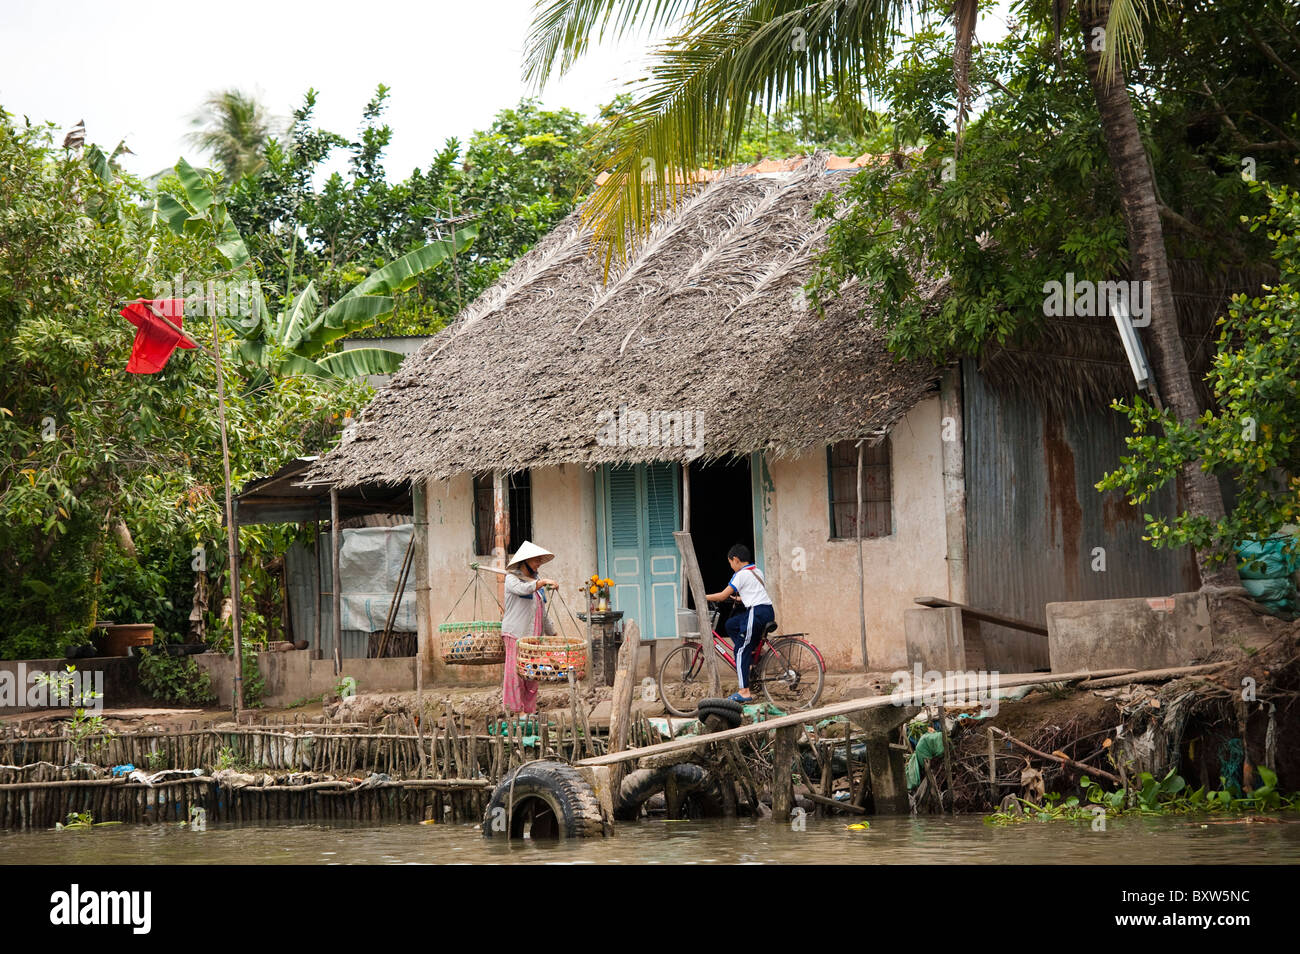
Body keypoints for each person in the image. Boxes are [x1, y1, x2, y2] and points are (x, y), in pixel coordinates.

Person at [704, 544, 775, 704]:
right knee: (731, 624)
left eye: (731, 563)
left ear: (735, 560)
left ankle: (744, 692)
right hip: (767, 610)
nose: (731, 567)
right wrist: (737, 599)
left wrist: (704, 597)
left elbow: (722, 596)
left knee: (740, 650)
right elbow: (754, 593)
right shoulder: (757, 571)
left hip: (755, 612)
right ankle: (753, 652)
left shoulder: (741, 575)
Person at [501, 540, 559, 715]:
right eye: (536, 560)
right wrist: (541, 584)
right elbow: (523, 589)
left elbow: (542, 611)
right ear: (525, 561)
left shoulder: (537, 582)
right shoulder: (511, 579)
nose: (538, 564)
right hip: (515, 633)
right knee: (515, 674)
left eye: (540, 560)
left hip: (534, 637)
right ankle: (515, 711)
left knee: (532, 674)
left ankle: (529, 709)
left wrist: (552, 633)